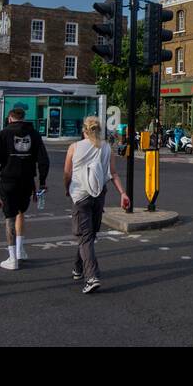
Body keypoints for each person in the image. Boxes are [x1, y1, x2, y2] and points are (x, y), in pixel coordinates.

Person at [62, 115, 130, 294]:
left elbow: (67, 173)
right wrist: (122, 193)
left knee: (85, 236)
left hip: (80, 196)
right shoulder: (107, 147)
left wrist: (67, 188)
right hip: (99, 194)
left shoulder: (74, 147)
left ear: (84, 130)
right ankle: (78, 269)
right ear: (99, 130)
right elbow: (113, 173)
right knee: (89, 234)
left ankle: (91, 277)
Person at [0, 107, 51, 271]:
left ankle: (12, 258)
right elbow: (44, 160)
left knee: (9, 216)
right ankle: (20, 250)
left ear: (10, 118)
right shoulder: (34, 134)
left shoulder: (3, 134)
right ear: (24, 118)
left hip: (9, 179)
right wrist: (43, 182)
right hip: (27, 180)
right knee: (20, 212)